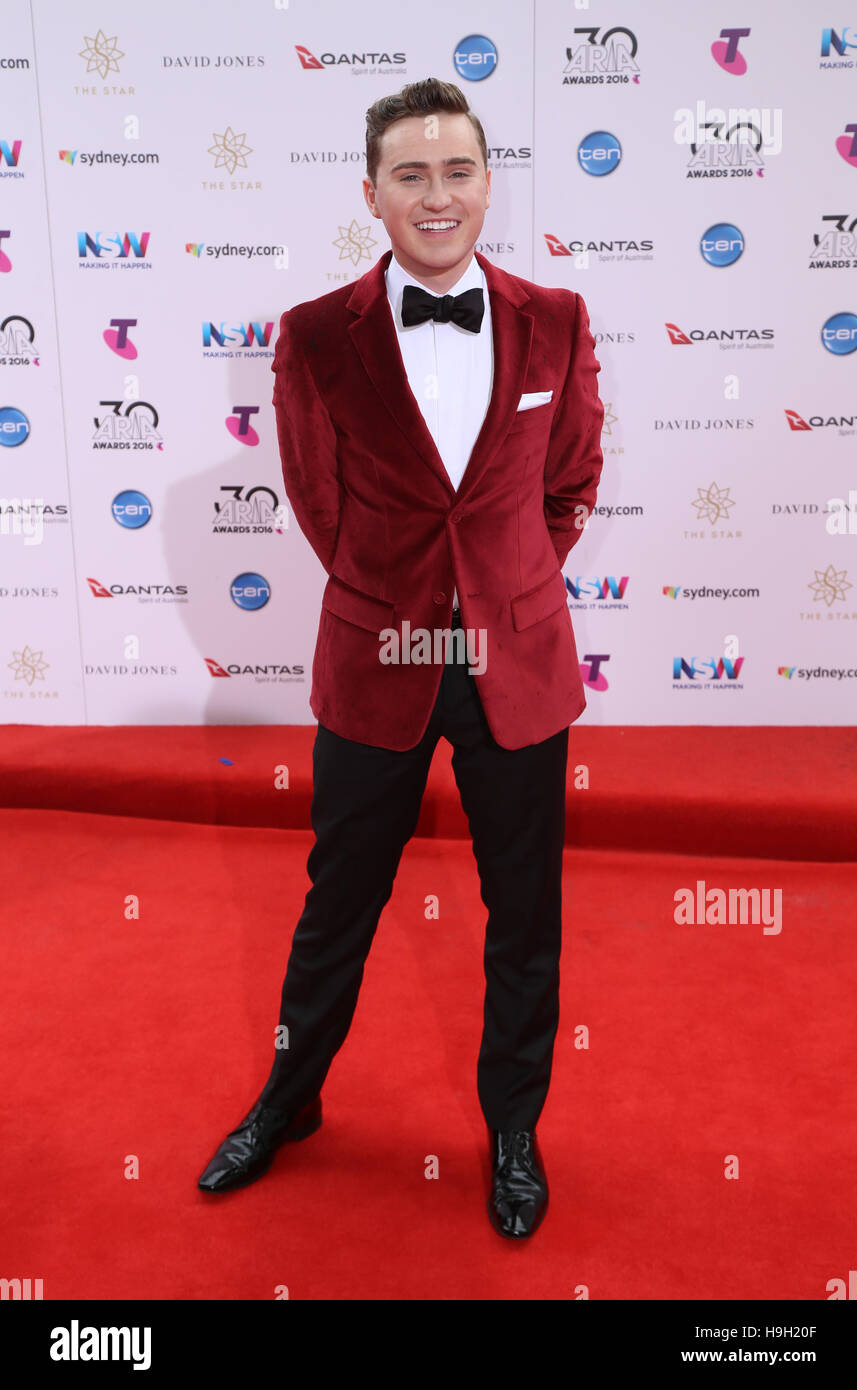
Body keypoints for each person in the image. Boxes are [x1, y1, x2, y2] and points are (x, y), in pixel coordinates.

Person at [198, 77, 604, 1240]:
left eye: (457, 170)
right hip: (374, 658)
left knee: (522, 913)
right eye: (411, 175)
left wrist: (499, 587)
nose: (438, 196)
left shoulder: (557, 318)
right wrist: (405, 597)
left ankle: (513, 1128)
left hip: (515, 667)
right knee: (338, 904)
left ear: (487, 181)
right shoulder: (316, 335)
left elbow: (566, 485)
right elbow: (320, 508)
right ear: (370, 192)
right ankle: (289, 1097)